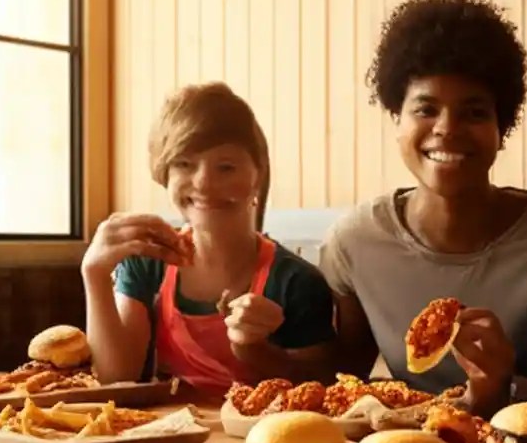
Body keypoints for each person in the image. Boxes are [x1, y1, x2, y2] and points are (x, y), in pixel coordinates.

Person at [319, 0, 527, 416]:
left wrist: (498, 389)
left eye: (474, 113)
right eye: (425, 109)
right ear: (397, 118)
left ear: (501, 130)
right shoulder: (355, 243)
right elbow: (342, 384)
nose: (447, 129)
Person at [81, 82, 337, 400]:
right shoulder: (148, 262)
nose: (203, 182)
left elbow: (319, 393)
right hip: (164, 439)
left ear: (258, 175)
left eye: (226, 167)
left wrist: (254, 350)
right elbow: (116, 378)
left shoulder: (296, 282)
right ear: (164, 172)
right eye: (184, 164)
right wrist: (93, 274)